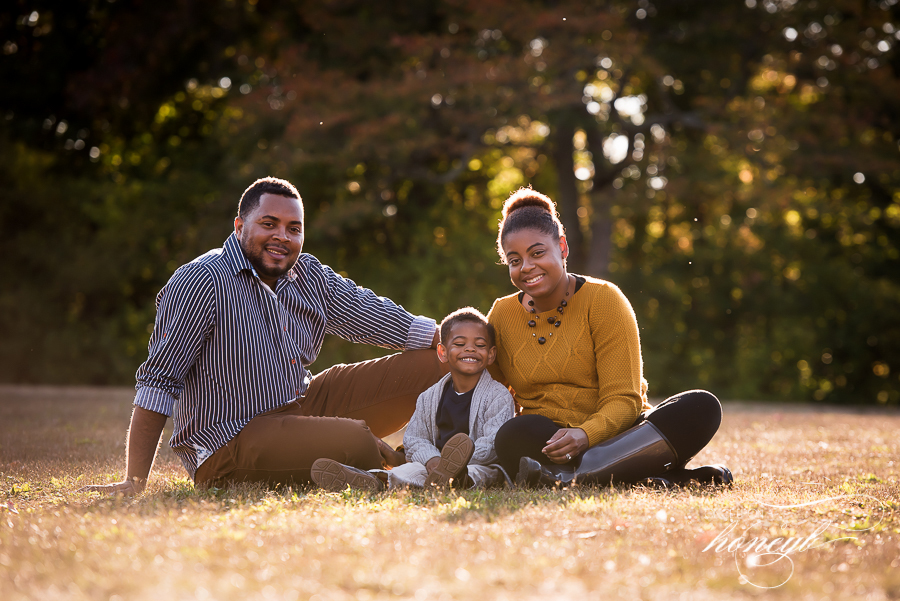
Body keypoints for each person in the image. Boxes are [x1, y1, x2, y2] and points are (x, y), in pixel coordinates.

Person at [81, 177, 448, 495]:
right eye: (268, 224)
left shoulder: (307, 275)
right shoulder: (201, 281)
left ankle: (457, 461)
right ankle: (406, 471)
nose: (282, 237)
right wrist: (134, 480)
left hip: (299, 406)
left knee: (438, 365)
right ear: (240, 225)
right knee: (353, 440)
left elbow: (369, 312)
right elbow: (159, 381)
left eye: (293, 228)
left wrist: (453, 340)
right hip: (231, 442)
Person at [487, 187, 732, 488]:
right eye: (514, 260)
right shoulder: (501, 314)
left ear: (562, 247)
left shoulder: (604, 299)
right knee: (515, 434)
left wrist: (586, 434)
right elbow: (491, 393)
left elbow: (624, 399)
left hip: (622, 436)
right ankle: (654, 477)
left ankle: (576, 477)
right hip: (551, 442)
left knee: (700, 406)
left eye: (537, 253)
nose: (526, 267)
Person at [311, 308, 515, 491]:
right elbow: (415, 439)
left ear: (491, 354)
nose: (470, 349)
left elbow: (493, 443)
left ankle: (456, 479)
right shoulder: (429, 397)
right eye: (460, 344)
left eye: (479, 345)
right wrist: (432, 459)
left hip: (477, 464)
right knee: (409, 471)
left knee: (482, 474)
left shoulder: (498, 397)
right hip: (432, 464)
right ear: (442, 352)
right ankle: (376, 480)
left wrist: (451, 463)